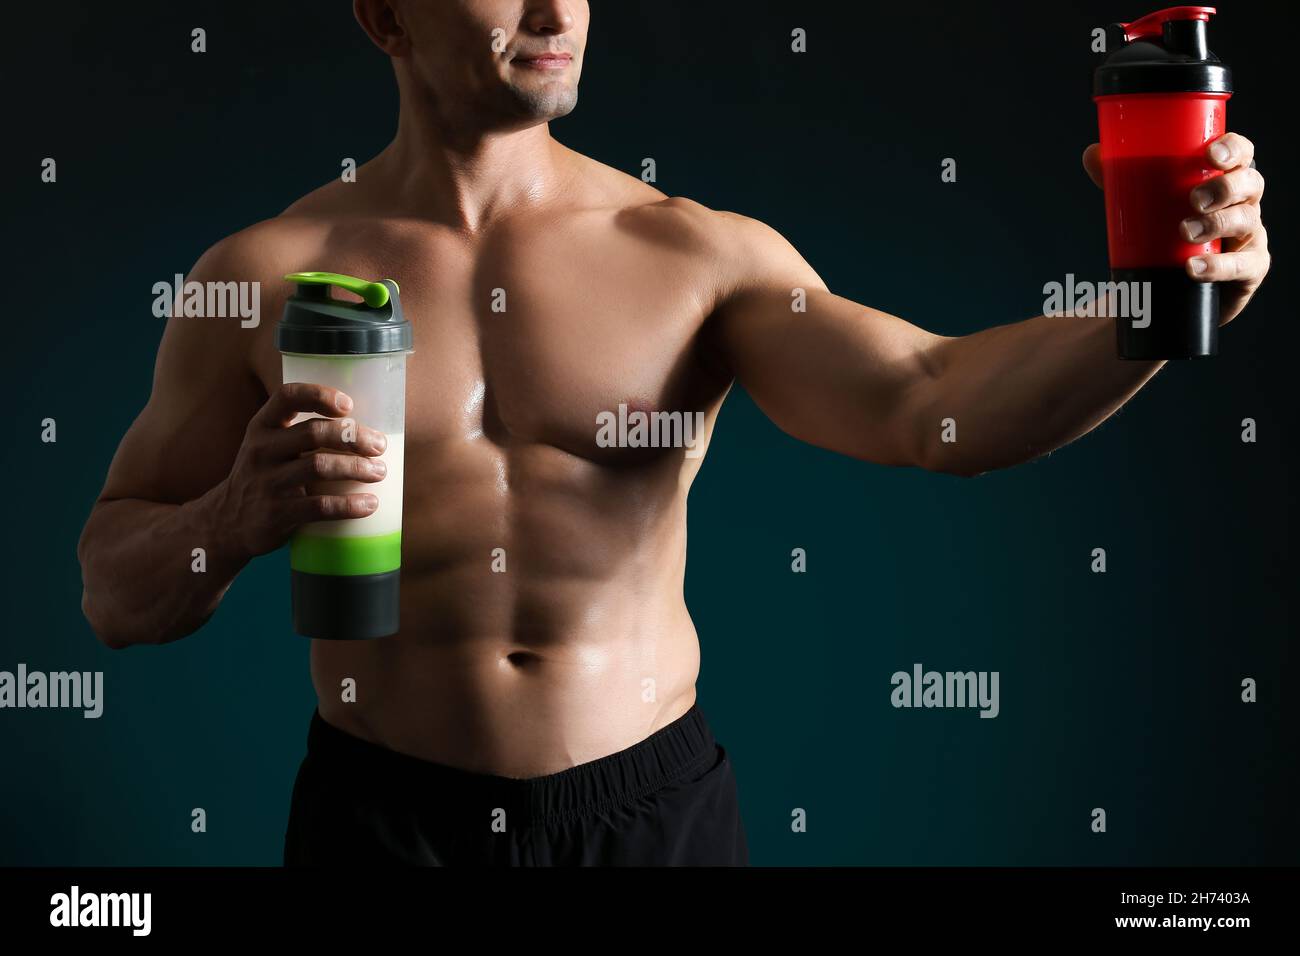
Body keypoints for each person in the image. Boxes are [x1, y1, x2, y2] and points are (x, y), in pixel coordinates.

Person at [76, 0, 1270, 866]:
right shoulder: (267, 275)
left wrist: (1162, 303)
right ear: (384, 16)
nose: (557, 12)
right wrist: (234, 517)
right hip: (383, 820)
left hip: (645, 817)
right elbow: (116, 596)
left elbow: (931, 400)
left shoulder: (690, 253)